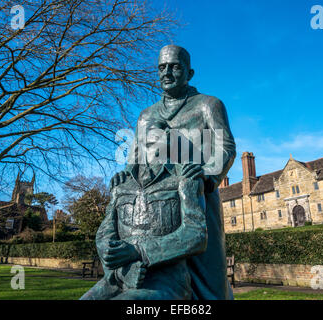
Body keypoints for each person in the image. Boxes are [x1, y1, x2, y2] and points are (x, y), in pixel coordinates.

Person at [106, 45, 236, 300]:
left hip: (198, 198)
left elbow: (225, 146)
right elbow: (134, 158)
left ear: (189, 72)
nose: (167, 72)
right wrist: (125, 174)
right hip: (156, 207)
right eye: (162, 67)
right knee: (154, 281)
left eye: (174, 66)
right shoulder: (146, 115)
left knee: (211, 282)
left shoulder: (207, 105)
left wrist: (208, 175)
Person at [80, 120, 207, 300]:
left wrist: (139, 251)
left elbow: (196, 235)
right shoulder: (121, 185)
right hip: (121, 277)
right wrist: (120, 273)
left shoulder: (185, 179)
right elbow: (104, 236)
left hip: (166, 280)